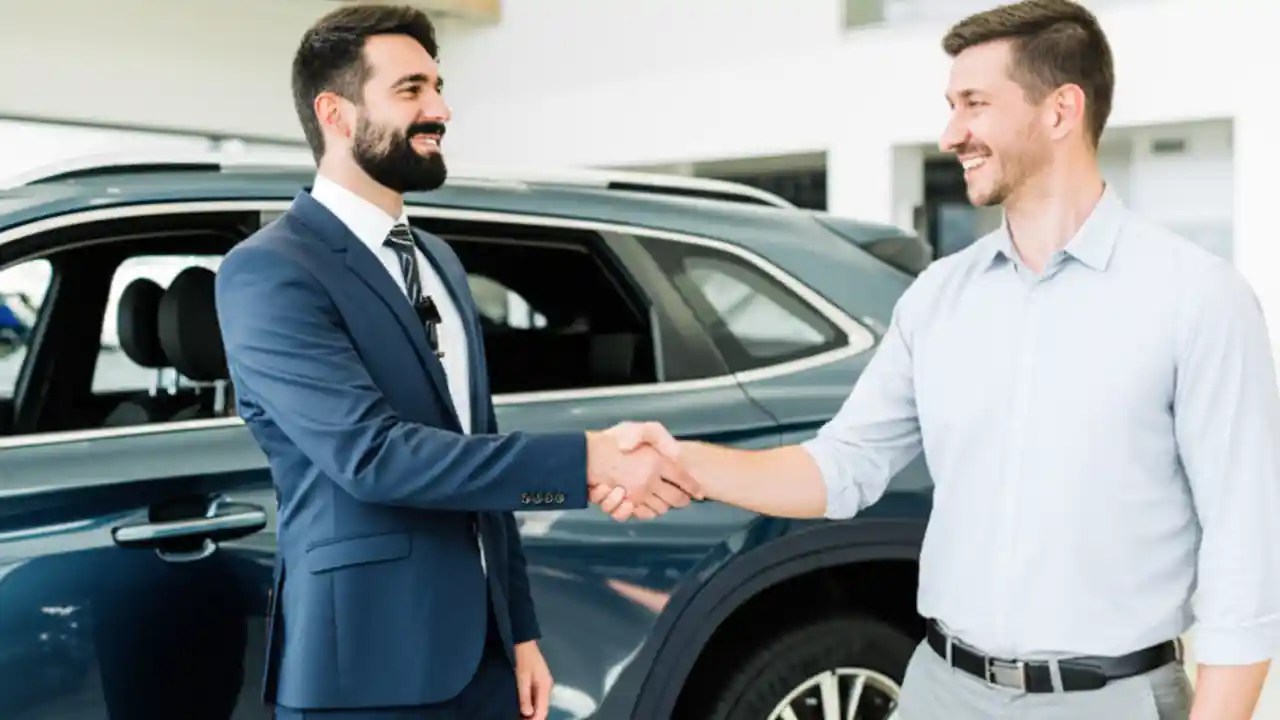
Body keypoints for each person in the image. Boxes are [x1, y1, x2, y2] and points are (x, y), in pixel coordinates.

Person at [609, 1, 1280, 718]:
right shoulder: (937, 299)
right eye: (951, 106)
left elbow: (1248, 555)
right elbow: (839, 470)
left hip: (1111, 701)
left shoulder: (1196, 298)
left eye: (975, 104)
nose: (951, 133)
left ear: (1061, 111)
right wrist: (682, 458)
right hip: (939, 690)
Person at [213, 5, 698, 719]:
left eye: (438, 86)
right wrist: (589, 459)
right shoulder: (268, 273)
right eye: (410, 90)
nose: (440, 108)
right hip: (364, 673)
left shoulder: (438, 260)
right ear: (335, 112)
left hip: (485, 660)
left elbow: (478, 453)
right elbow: (372, 457)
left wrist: (522, 632)